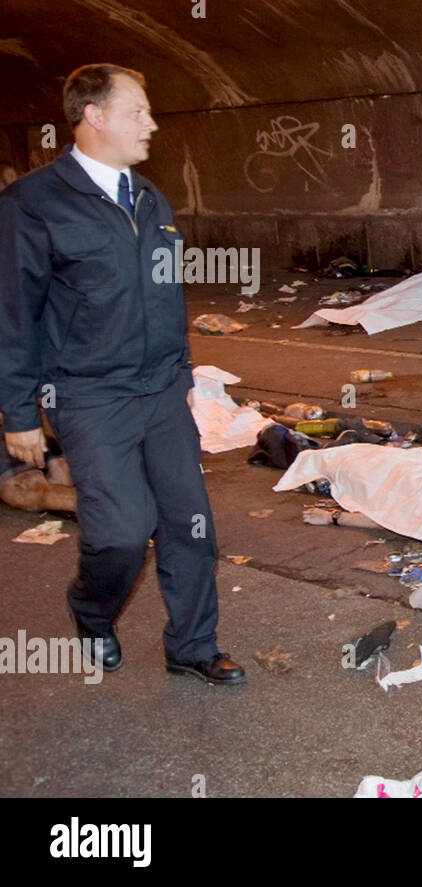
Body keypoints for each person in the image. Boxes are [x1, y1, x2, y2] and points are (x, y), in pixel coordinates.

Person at [0, 64, 244, 684]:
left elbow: (166, 296)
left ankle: (193, 648)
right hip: (90, 396)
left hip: (162, 392)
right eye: (138, 111)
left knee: (191, 529)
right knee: (120, 536)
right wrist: (21, 412)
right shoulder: (32, 204)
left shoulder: (148, 197)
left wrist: (184, 378)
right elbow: (12, 313)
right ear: (95, 115)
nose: (152, 124)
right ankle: (91, 609)